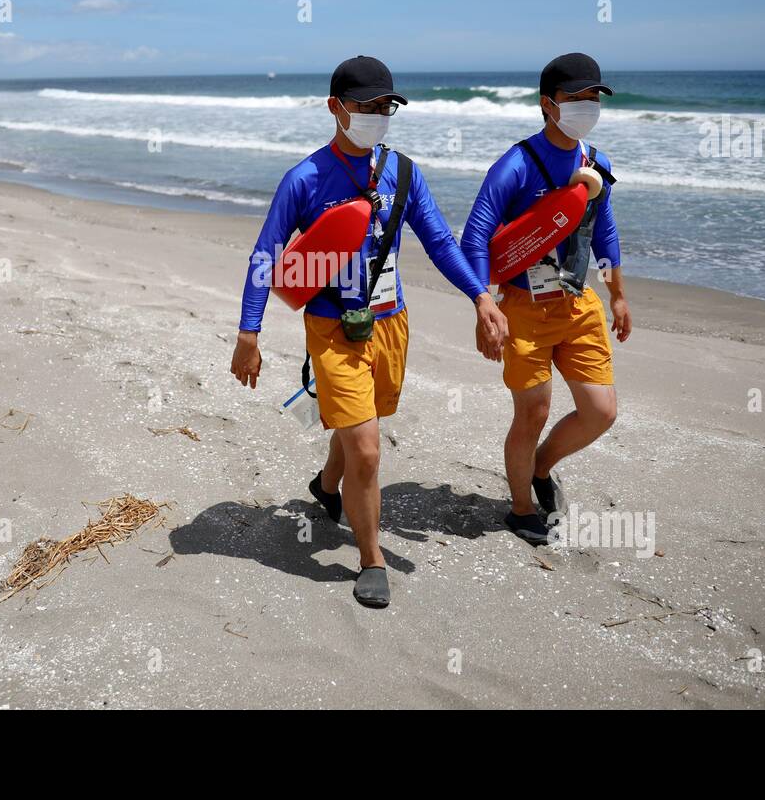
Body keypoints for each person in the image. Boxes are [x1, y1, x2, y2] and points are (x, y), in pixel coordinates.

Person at [231, 55, 509, 607]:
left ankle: (325, 486)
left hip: (391, 323)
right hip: (333, 328)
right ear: (336, 108)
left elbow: (440, 243)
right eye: (366, 107)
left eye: (387, 107)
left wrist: (480, 296)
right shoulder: (305, 179)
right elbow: (267, 255)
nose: (378, 116)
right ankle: (371, 557)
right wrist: (249, 333)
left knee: (361, 427)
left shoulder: (404, 174)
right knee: (368, 448)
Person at [460, 52, 632, 545]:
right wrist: (482, 304)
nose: (587, 106)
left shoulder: (596, 163)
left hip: (578, 304)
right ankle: (519, 509)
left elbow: (606, 231)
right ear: (547, 104)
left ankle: (539, 469)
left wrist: (618, 294)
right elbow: (475, 238)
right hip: (523, 308)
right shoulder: (516, 165)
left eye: (593, 98)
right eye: (575, 98)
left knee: (601, 410)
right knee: (532, 412)